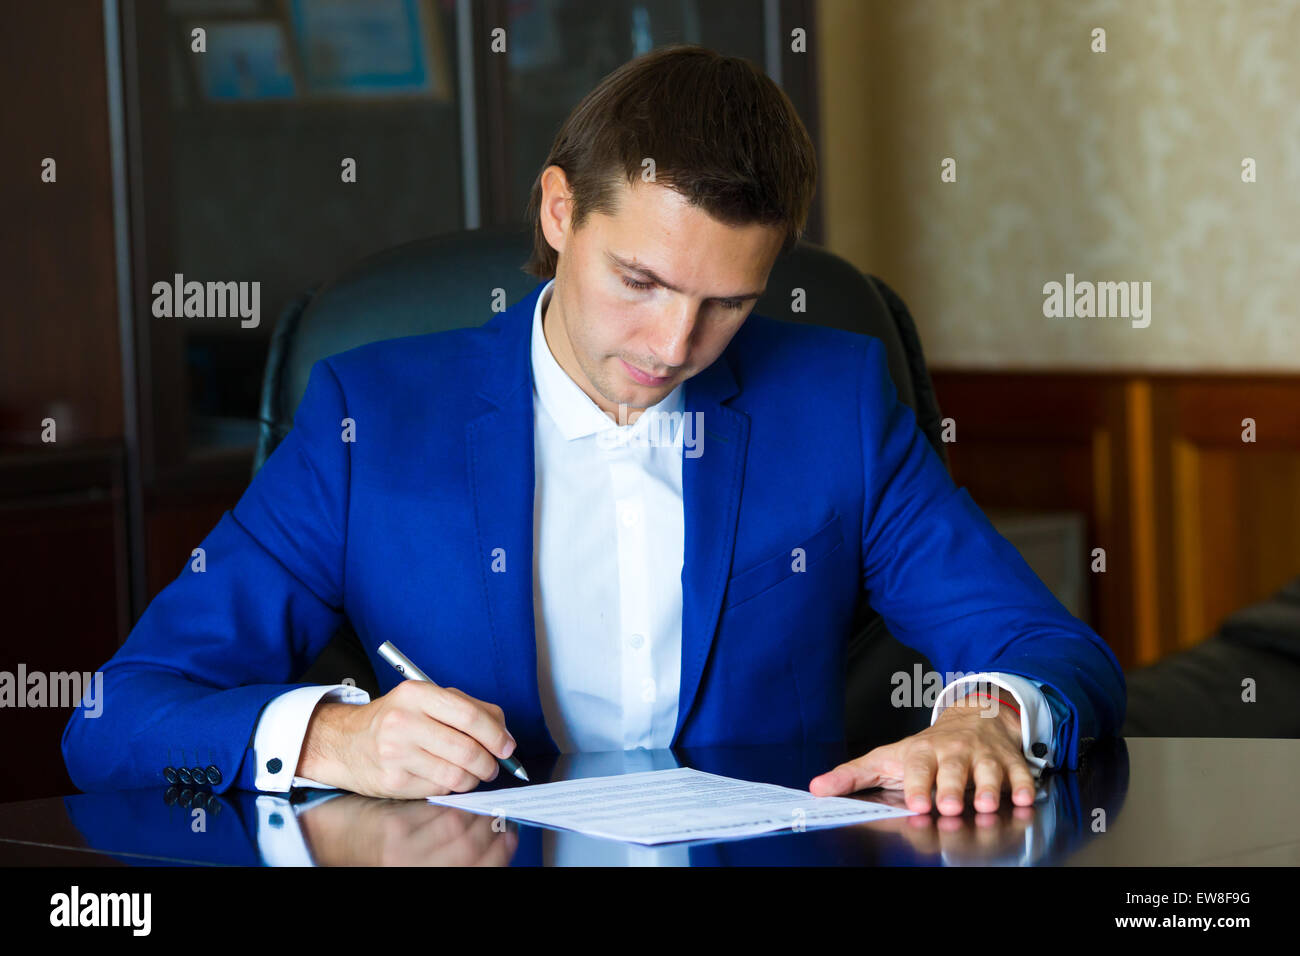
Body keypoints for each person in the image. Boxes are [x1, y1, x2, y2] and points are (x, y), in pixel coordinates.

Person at [63, 44, 1124, 817]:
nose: (672, 341)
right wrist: (338, 735)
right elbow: (116, 716)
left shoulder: (832, 401)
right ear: (560, 213)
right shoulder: (369, 418)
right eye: (640, 280)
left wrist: (987, 713)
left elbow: (1047, 648)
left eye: (728, 303)